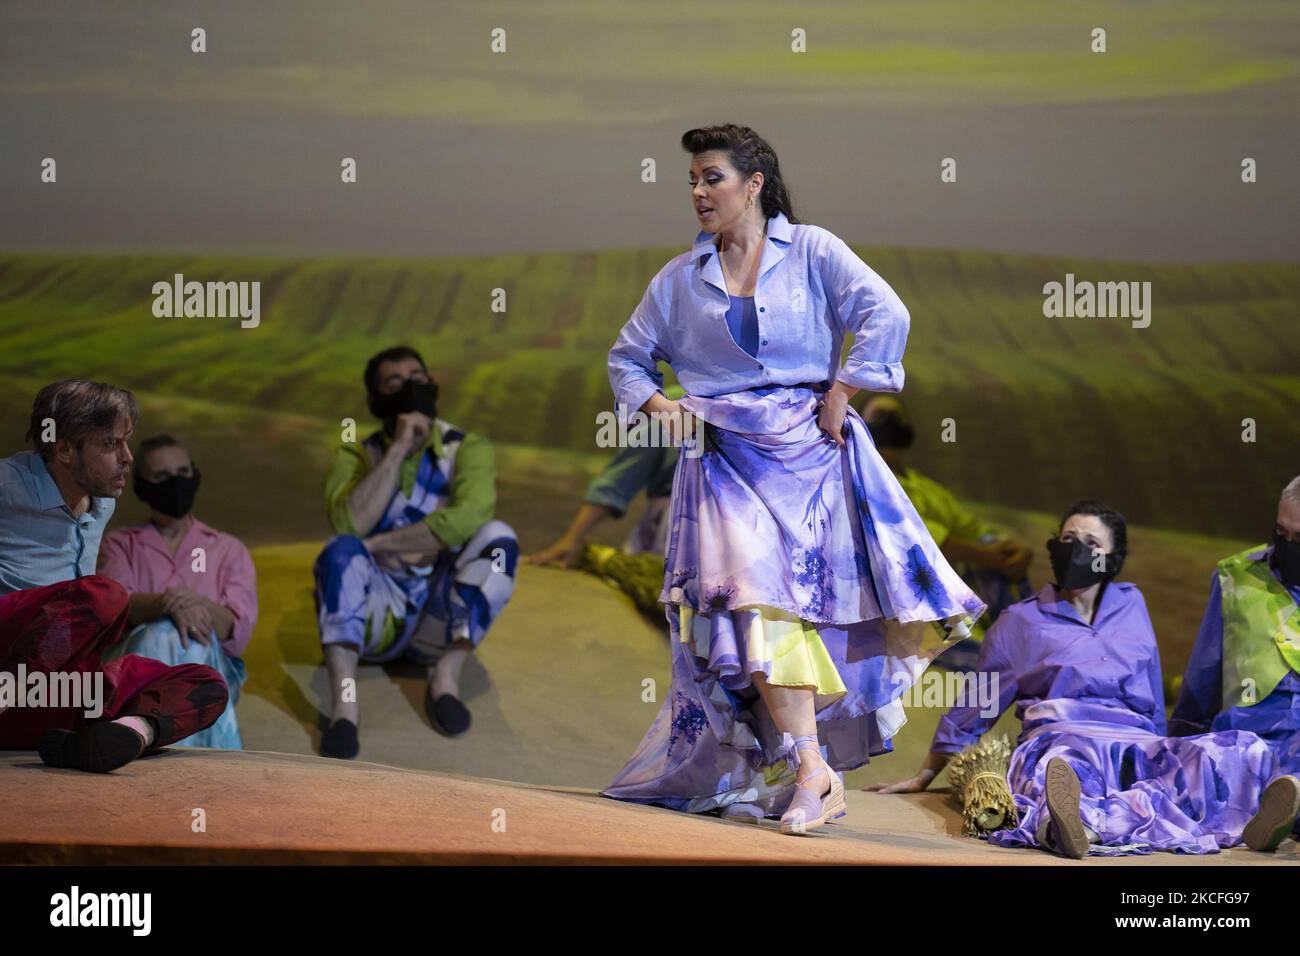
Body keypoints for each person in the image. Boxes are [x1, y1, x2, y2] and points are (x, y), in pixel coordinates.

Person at [600, 124, 986, 835]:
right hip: (720, 460)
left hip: (808, 454)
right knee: (754, 604)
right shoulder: (680, 279)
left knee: (791, 613)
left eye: (711, 177)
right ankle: (811, 770)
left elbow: (884, 312)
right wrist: (664, 409)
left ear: (755, 183)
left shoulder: (811, 249)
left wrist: (844, 387)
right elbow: (627, 360)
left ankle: (796, 766)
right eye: (691, 180)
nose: (697, 192)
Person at [867, 500, 1300, 856]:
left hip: (1134, 743)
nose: (1075, 549)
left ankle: (1247, 822)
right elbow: (977, 701)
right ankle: (1077, 821)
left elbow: (1149, 697)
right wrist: (926, 772)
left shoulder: (1133, 605)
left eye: (1090, 543)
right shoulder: (1019, 622)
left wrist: (1172, 755)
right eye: (1068, 539)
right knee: (1066, 773)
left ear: (1112, 559)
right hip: (1061, 738)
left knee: (1242, 749)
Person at [0, 380, 229, 772]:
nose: (127, 457)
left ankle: (121, 735)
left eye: (126, 442)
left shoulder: (102, 499)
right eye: (110, 445)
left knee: (205, 683)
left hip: (56, 697)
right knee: (106, 594)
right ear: (65, 449)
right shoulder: (6, 484)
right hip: (8, 660)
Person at [314, 345, 519, 758]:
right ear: (377, 401)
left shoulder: (468, 447)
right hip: (376, 617)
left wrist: (373, 546)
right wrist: (399, 447)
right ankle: (344, 709)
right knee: (338, 551)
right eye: (395, 382)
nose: (411, 387)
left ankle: (445, 675)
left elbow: (465, 520)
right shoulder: (358, 452)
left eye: (419, 377)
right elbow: (348, 524)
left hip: (438, 615)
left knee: (499, 539)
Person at [97, 434, 257, 748]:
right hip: (135, 671)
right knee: (164, 632)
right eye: (162, 477)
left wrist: (193, 602)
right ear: (142, 486)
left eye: (183, 473)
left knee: (191, 638)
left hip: (214, 669)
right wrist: (168, 604)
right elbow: (116, 611)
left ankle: (143, 740)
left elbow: (236, 633)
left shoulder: (228, 549)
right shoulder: (119, 545)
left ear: (195, 476)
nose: (176, 482)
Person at [862, 394, 1034, 669]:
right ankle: (972, 647)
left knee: (996, 544)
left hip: (945, 588)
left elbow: (973, 530)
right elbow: (919, 538)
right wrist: (987, 556)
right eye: (879, 417)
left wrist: (1009, 550)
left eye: (895, 417)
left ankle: (1019, 637)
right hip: (896, 590)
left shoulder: (930, 490)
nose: (888, 423)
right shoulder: (862, 480)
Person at [1170, 476, 1300, 794]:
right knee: (1203, 774)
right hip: (1247, 732)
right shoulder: (1235, 576)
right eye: (1281, 532)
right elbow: (1204, 671)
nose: (1288, 544)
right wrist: (1179, 744)